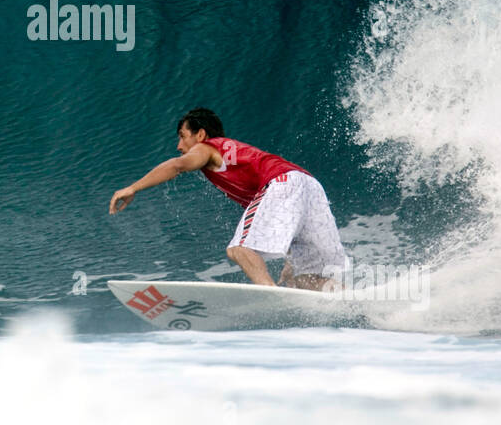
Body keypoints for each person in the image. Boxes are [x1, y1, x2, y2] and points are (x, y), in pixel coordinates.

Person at [108, 107, 347, 290]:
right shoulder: (231, 151)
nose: (180, 145)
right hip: (310, 185)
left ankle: (270, 292)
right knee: (304, 279)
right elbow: (284, 213)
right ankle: (352, 301)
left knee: (239, 249)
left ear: (200, 134)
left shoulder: (207, 147)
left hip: (282, 182)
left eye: (183, 136)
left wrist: (133, 188)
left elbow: (178, 165)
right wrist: (291, 258)